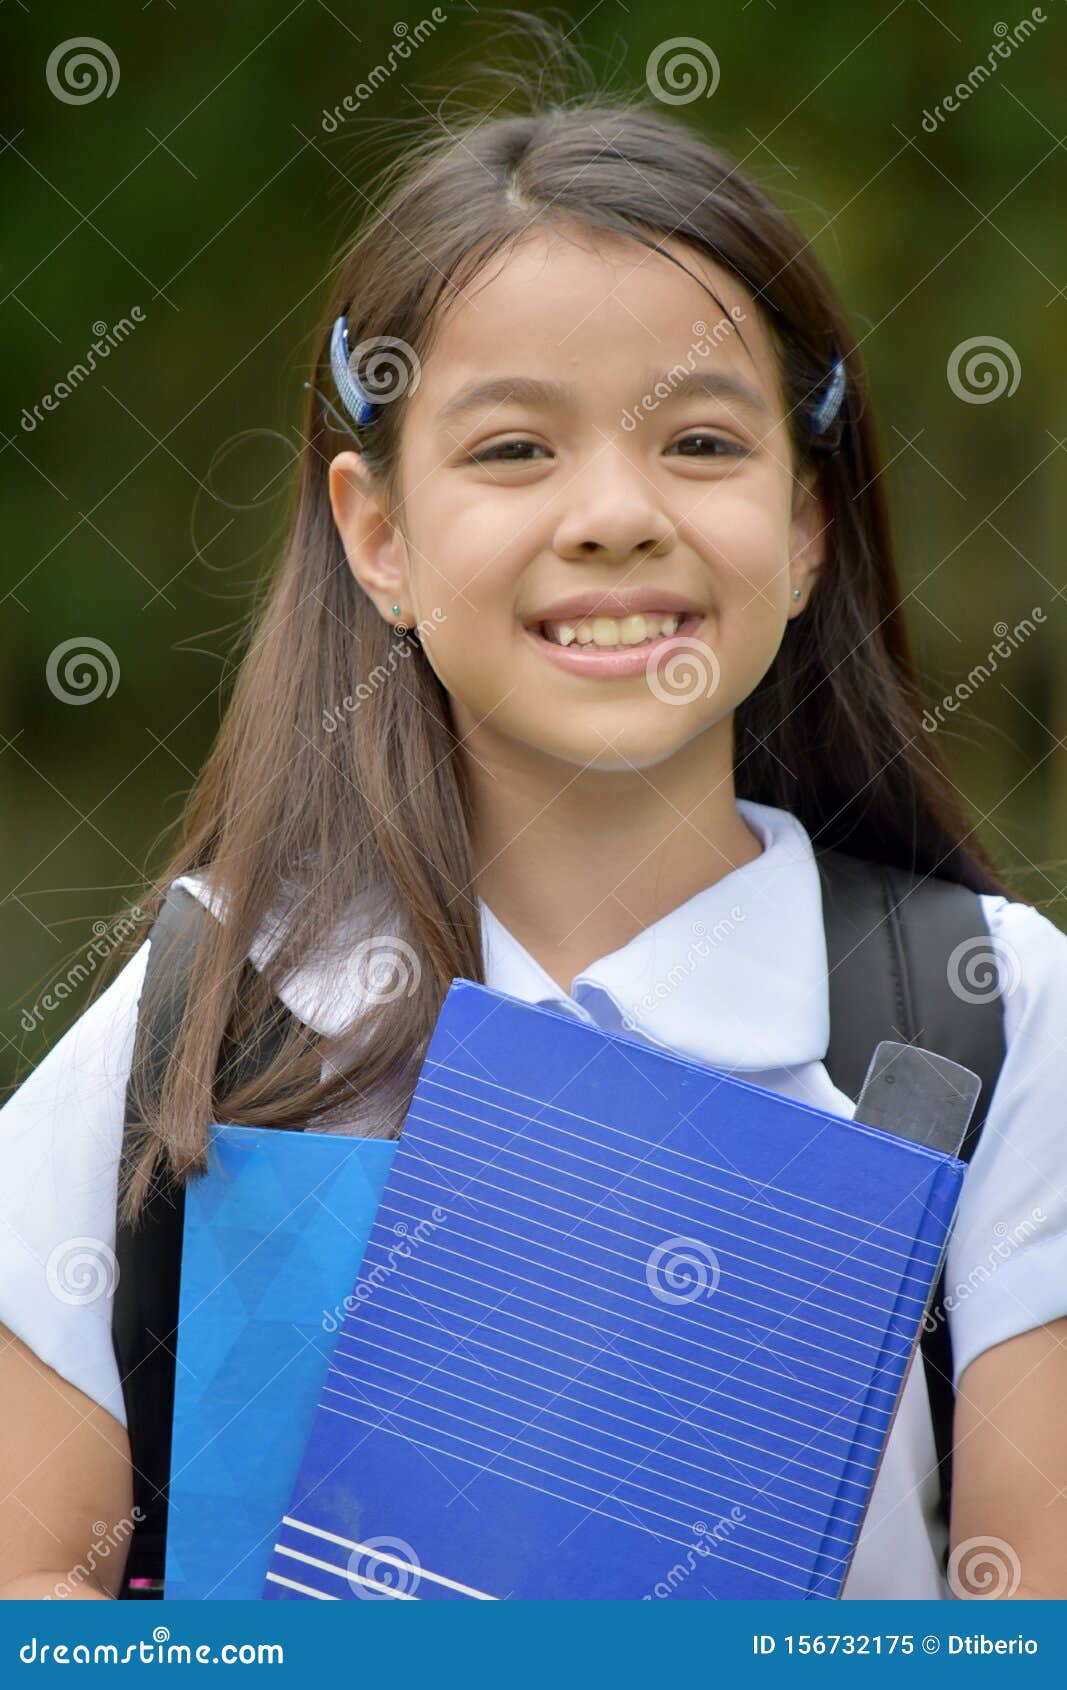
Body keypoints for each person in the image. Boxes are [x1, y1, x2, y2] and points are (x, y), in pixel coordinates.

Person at [2, 72, 1066, 1603]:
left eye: (703, 443)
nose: (617, 513)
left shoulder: (991, 1013)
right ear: (379, 535)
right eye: (513, 451)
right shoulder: (214, 1005)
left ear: (809, 527)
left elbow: (1024, 1618)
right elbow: (37, 1602)